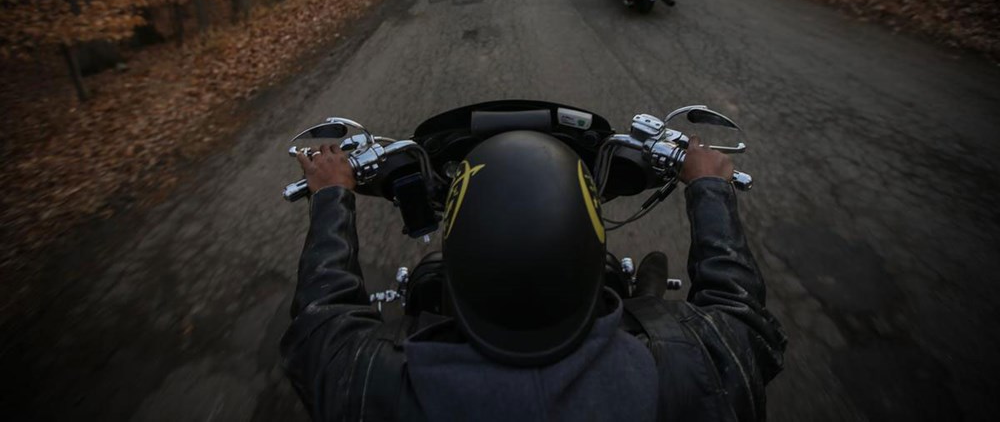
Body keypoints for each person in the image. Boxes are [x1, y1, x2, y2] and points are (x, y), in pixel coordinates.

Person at [281, 131, 786, 421]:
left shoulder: (368, 384)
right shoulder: (700, 367)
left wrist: (331, 193)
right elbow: (739, 306)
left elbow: (321, 315)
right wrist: (709, 187)